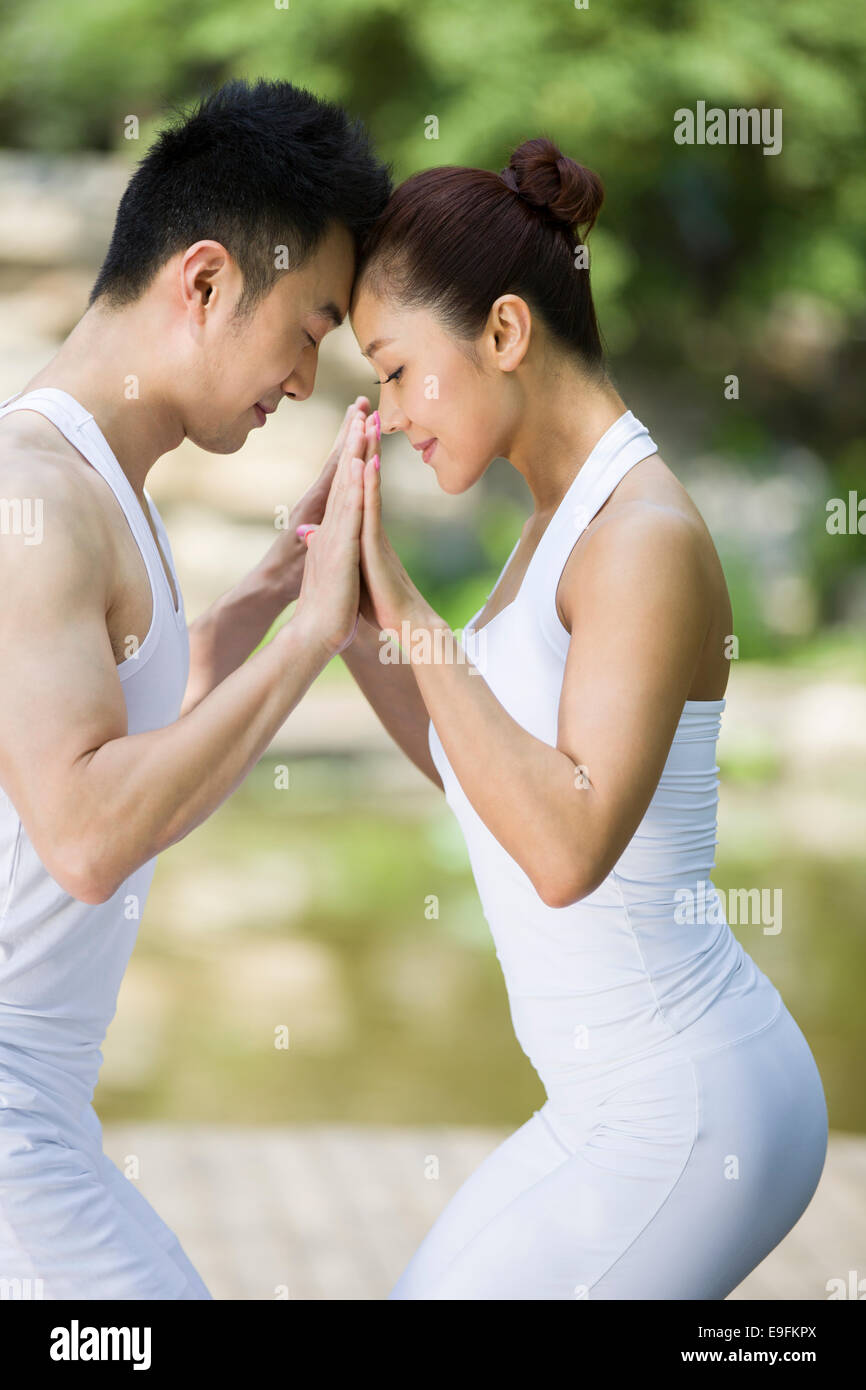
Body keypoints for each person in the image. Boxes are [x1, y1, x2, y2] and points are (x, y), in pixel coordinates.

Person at [326, 137, 829, 1299]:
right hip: (606, 1105)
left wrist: (405, 610)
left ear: (503, 333)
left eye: (398, 370)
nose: (389, 412)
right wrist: (352, 612)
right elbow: (486, 784)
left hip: (689, 1111)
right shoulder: (554, 521)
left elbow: (564, 848)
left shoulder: (637, 536)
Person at [0, 78, 386, 1299]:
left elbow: (139, 748)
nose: (306, 375)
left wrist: (263, 595)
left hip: (40, 1111)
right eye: (311, 326)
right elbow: (85, 835)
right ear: (207, 281)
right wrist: (311, 636)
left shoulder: (102, 488)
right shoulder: (37, 498)